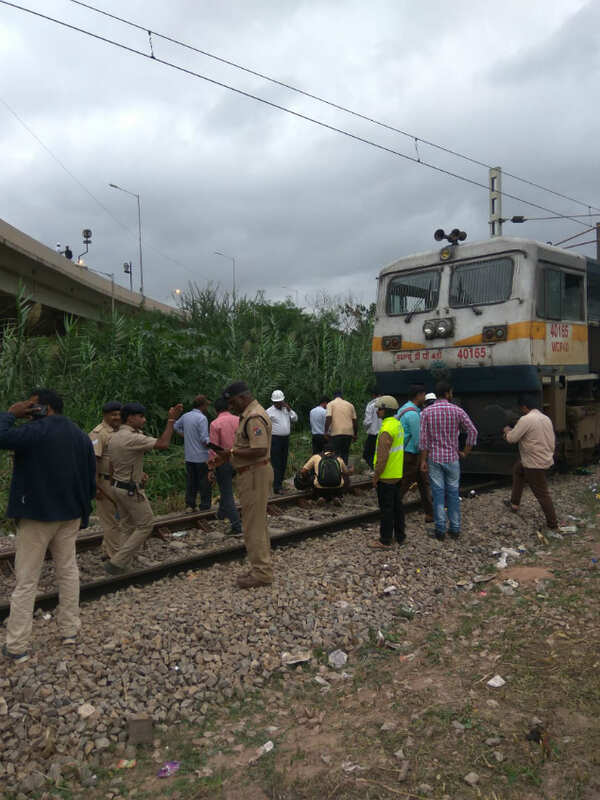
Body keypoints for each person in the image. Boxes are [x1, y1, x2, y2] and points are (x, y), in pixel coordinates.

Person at [0, 389, 96, 662]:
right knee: (67, 571)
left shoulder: (36, 430)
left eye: (32, 406)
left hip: (37, 516)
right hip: (70, 515)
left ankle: (17, 646)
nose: (28, 410)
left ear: (44, 408)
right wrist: (81, 508)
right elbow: (91, 478)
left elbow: (1, 436)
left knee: (27, 579)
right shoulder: (79, 435)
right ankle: (69, 630)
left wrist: (10, 414)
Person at [104, 401, 183, 574]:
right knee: (146, 524)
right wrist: (171, 421)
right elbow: (163, 444)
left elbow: (111, 464)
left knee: (127, 526)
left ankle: (124, 562)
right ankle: (116, 562)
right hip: (130, 490)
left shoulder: (114, 436)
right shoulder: (132, 437)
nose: (144, 420)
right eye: (141, 416)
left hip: (117, 486)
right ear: (131, 418)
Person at [216, 381, 273, 589]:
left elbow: (259, 449)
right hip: (253, 473)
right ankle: (261, 567)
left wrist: (231, 453)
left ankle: (262, 573)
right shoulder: (251, 414)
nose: (231, 407)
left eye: (232, 402)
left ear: (242, 398)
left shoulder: (254, 417)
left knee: (253, 526)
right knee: (256, 524)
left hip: (254, 474)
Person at [420, 381, 478, 541]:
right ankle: (455, 528)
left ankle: (440, 530)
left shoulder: (426, 412)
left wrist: (423, 460)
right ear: (447, 393)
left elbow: (424, 440)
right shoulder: (457, 411)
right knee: (453, 493)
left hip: (435, 459)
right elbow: (473, 431)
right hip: (452, 458)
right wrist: (465, 452)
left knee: (438, 494)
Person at [503, 394, 558, 529]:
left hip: (534, 463)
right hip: (543, 457)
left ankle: (553, 524)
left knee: (542, 494)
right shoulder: (545, 418)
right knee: (518, 470)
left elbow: (512, 439)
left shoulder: (526, 419)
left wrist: (507, 431)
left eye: (521, 408)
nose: (521, 410)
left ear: (524, 407)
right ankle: (514, 503)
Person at [369, 395, 405, 549]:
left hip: (386, 476)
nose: (377, 411)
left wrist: (376, 476)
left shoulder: (386, 430)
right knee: (397, 507)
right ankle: (400, 536)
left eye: (380, 409)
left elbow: (382, 458)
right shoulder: (397, 425)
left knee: (386, 509)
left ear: (386, 410)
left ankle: (385, 540)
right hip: (397, 474)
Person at [89, 401, 122, 559]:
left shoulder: (121, 431)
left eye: (119, 414)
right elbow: (94, 460)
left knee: (122, 518)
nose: (117, 417)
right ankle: (115, 556)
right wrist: (95, 485)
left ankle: (108, 548)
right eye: (113, 414)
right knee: (110, 520)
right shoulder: (98, 433)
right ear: (105, 415)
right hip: (105, 482)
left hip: (121, 481)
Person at [397, 385, 433, 523]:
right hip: (412, 455)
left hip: (410, 454)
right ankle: (392, 507)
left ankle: (430, 513)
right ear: (418, 395)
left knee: (424, 484)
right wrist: (425, 456)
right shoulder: (413, 414)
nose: (424, 398)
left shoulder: (404, 409)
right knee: (405, 484)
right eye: (423, 394)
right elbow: (419, 440)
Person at [209, 397, 242, 535]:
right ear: (229, 407)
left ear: (216, 410)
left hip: (224, 462)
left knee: (227, 492)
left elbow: (213, 448)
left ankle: (236, 525)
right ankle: (222, 514)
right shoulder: (239, 420)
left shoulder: (215, 424)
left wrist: (211, 467)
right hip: (240, 459)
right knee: (227, 490)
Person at [174, 395, 212, 512]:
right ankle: (204, 505)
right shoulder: (202, 418)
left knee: (191, 481)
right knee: (204, 481)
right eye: (206, 405)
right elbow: (204, 439)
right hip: (202, 456)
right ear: (203, 405)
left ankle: (190, 505)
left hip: (189, 456)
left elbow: (175, 426)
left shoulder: (186, 416)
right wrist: (215, 447)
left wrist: (185, 435)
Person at [266, 390, 298, 493]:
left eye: (280, 402)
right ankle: (277, 487)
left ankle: (279, 484)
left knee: (283, 462)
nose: (278, 404)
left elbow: (295, 419)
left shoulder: (286, 410)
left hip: (285, 439)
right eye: (276, 402)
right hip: (275, 439)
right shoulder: (269, 412)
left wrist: (289, 410)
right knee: (276, 463)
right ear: (273, 402)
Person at [325, 390, 357, 464]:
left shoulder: (330, 404)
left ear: (334, 396)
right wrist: (355, 434)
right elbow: (355, 421)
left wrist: (326, 431)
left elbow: (329, 418)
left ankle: (337, 472)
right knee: (345, 453)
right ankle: (344, 471)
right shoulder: (350, 405)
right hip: (348, 433)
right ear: (342, 396)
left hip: (336, 433)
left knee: (336, 454)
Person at [362, 389, 381, 469]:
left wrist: (365, 428)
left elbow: (368, 421)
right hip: (384, 433)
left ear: (373, 395)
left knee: (367, 454)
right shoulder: (386, 404)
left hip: (373, 434)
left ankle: (374, 468)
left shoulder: (371, 405)